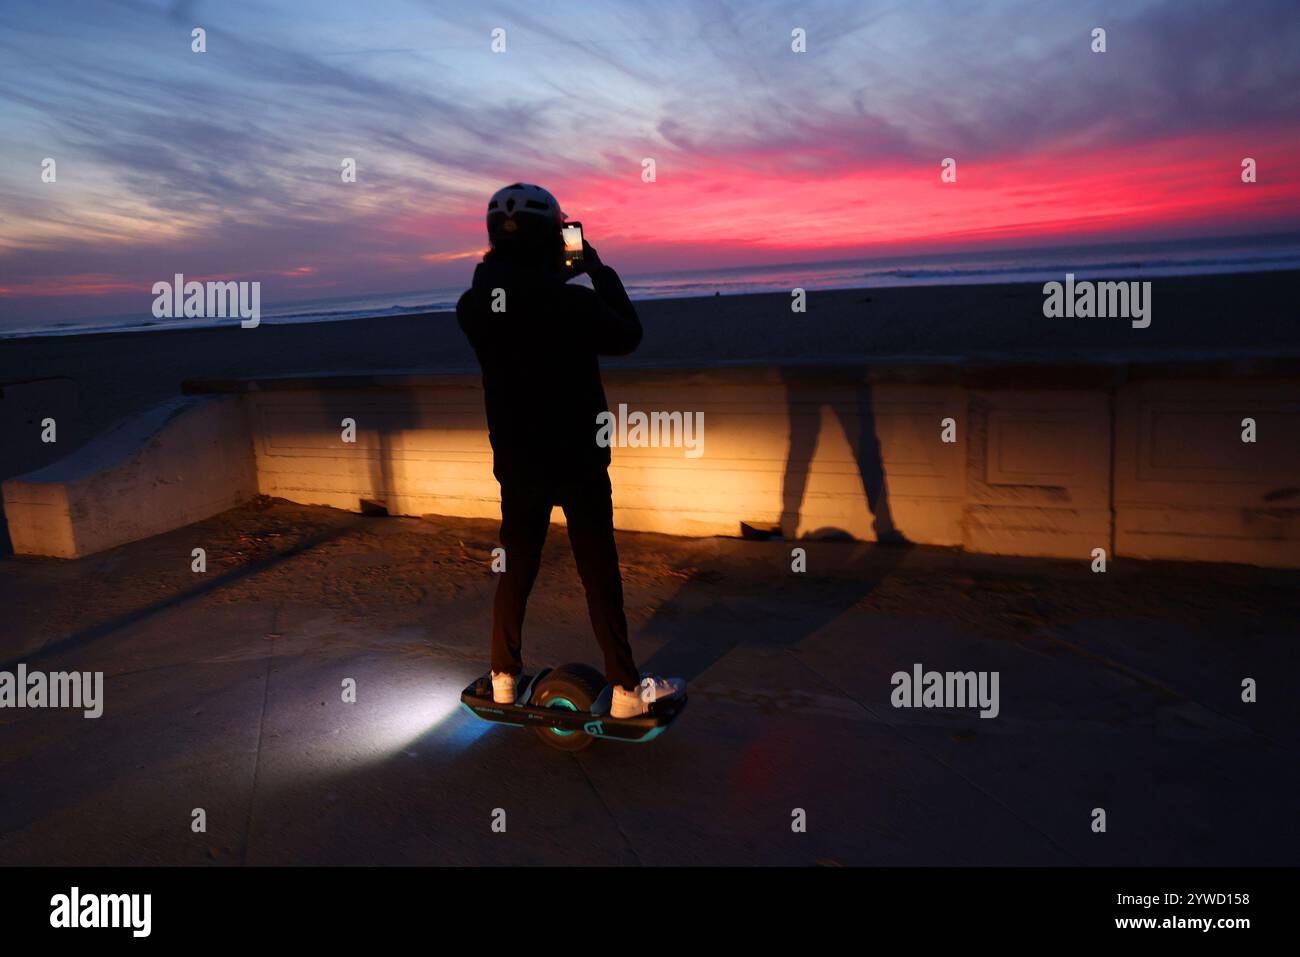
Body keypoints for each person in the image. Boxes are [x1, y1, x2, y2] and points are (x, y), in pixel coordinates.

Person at [456, 183, 684, 719]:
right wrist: (595, 268)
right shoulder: (574, 302)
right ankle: (626, 691)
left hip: (518, 464)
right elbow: (628, 333)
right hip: (580, 459)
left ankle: (504, 678)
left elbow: (508, 292)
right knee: (599, 571)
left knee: (517, 569)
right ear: (552, 234)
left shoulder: (474, 307)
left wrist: (533, 269)